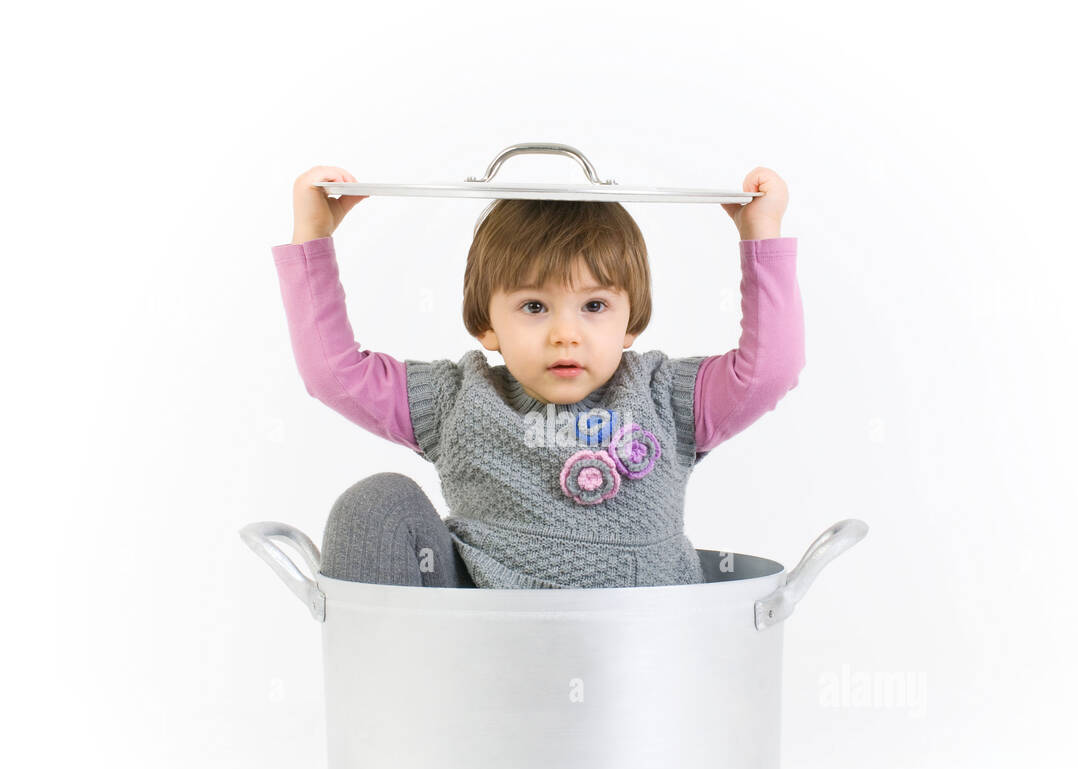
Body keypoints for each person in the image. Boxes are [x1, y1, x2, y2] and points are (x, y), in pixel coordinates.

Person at [270, 164, 803, 589]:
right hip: (484, 656)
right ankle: (391, 707)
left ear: (631, 321)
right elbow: (332, 375)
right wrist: (313, 235)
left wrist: (761, 237)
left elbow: (769, 372)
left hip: (641, 657)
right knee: (376, 502)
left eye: (594, 305)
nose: (565, 334)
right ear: (486, 324)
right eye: (533, 307)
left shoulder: (666, 398)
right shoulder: (458, 401)